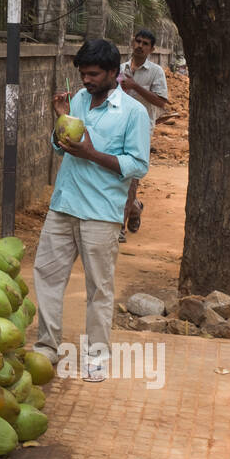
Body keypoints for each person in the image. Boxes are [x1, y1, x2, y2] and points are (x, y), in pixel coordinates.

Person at [33, 38, 150, 383]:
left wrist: (91, 153)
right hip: (63, 205)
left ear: (114, 73)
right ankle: (46, 347)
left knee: (99, 287)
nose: (87, 80)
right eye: (83, 74)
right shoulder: (79, 100)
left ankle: (97, 354)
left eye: (94, 74)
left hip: (101, 212)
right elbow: (60, 148)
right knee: (47, 276)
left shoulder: (133, 113)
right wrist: (61, 120)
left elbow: (137, 165)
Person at [118, 28, 169, 241]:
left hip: (140, 132)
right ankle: (135, 208)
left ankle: (119, 227)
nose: (140, 45)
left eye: (145, 43)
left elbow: (161, 102)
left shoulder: (156, 72)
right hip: (117, 129)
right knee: (117, 176)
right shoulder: (120, 68)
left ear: (151, 49)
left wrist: (135, 87)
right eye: (137, 41)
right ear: (132, 42)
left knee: (132, 178)